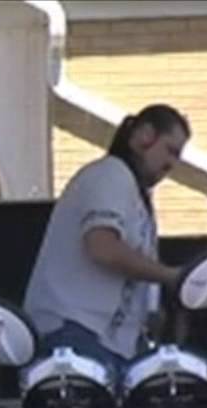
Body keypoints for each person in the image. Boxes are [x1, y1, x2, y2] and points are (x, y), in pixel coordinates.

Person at [23, 104, 192, 375]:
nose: (172, 164)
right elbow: (102, 247)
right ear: (144, 136)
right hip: (74, 332)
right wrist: (171, 276)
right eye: (170, 150)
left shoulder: (137, 195)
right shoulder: (110, 174)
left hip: (110, 342)